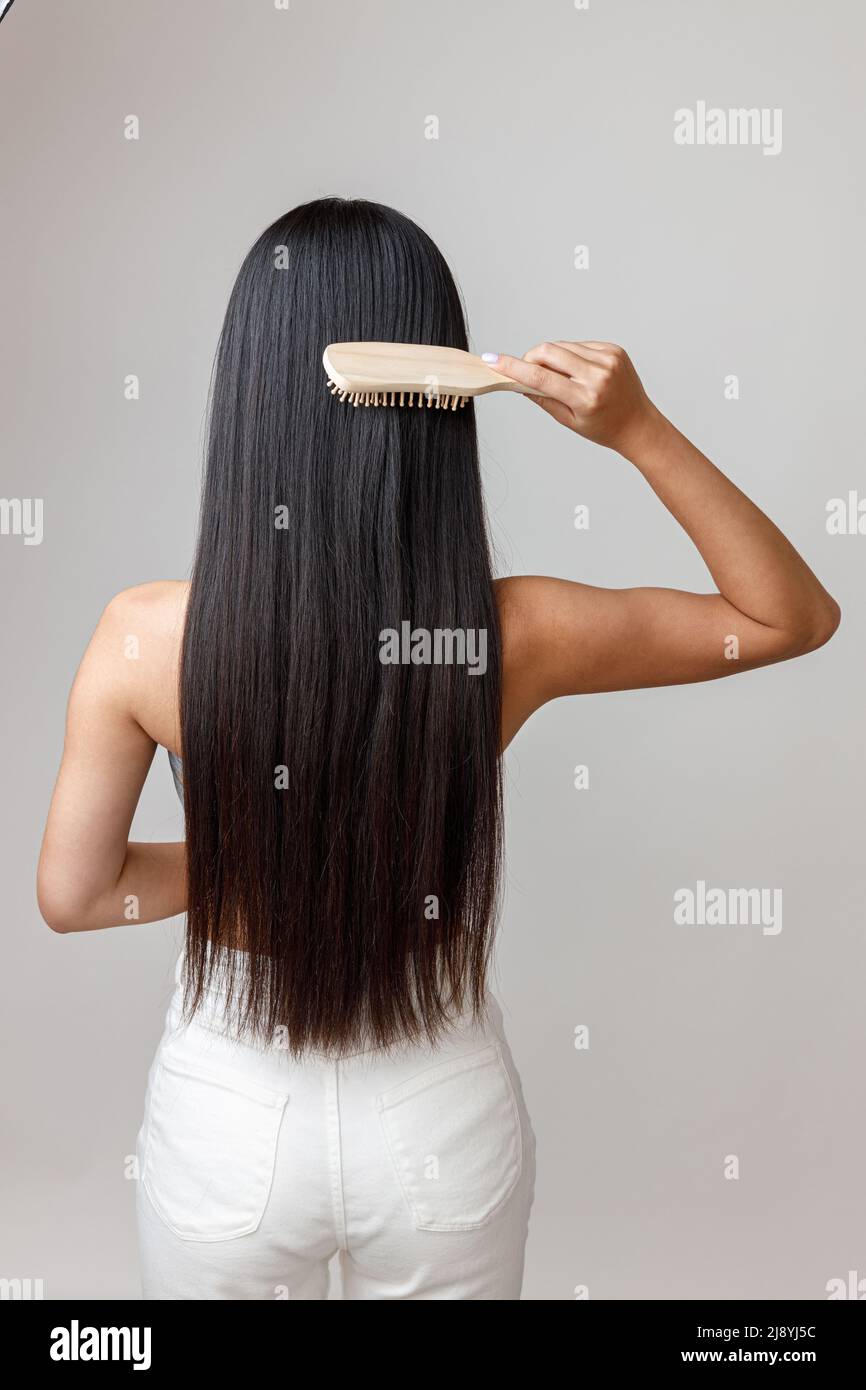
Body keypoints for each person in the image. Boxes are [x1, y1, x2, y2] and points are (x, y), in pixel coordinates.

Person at [37, 198, 840, 1300]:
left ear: (249, 394)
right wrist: (637, 428)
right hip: (436, 1112)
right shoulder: (515, 635)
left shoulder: (141, 636)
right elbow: (787, 617)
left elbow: (76, 896)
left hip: (226, 1122)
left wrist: (252, 857)